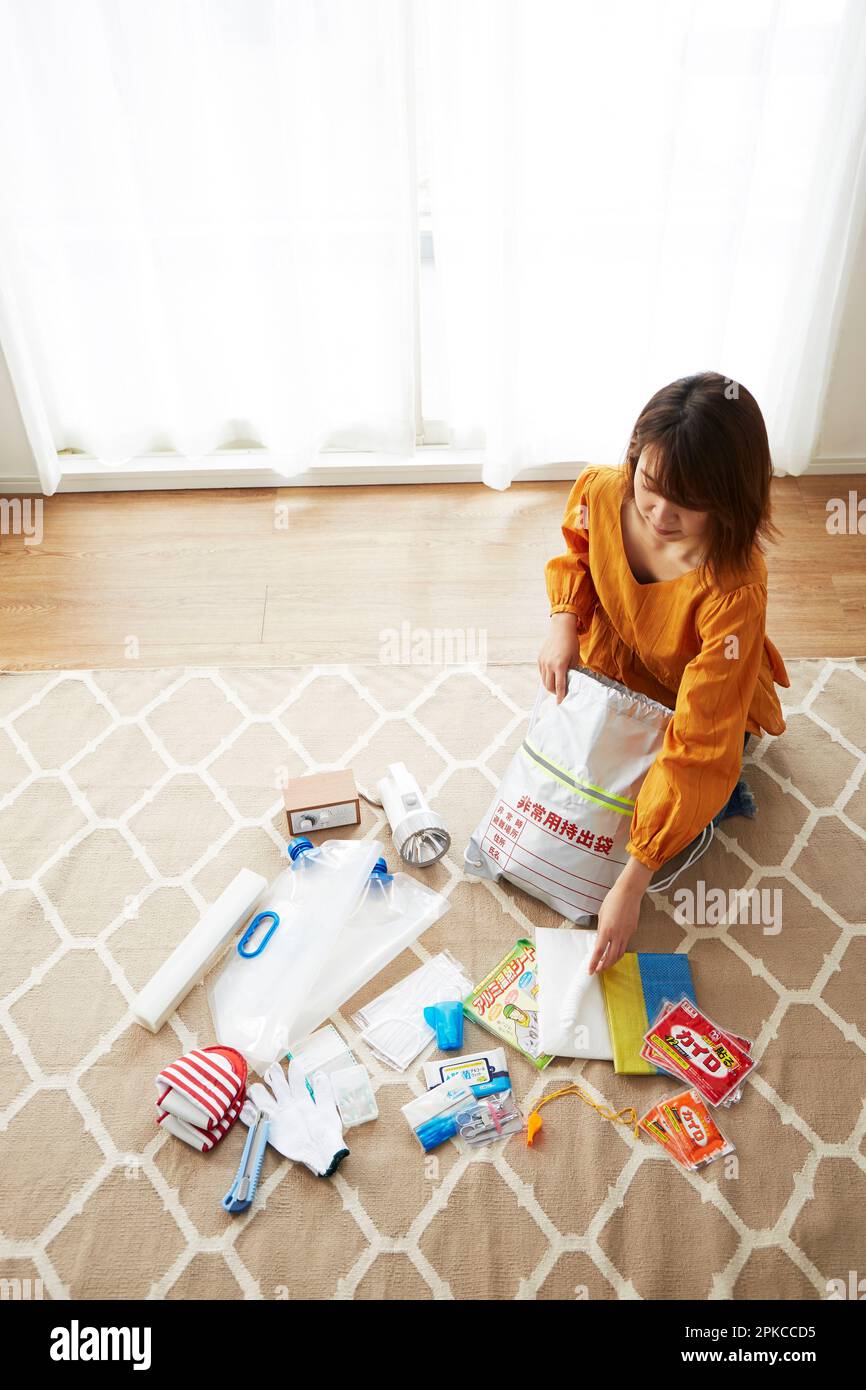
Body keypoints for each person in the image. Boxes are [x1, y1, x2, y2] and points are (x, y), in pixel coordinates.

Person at [537, 373, 789, 973]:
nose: (661, 515)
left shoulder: (734, 591)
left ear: (731, 500)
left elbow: (702, 740)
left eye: (689, 502)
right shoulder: (603, 490)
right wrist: (564, 618)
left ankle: (719, 795)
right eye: (650, 487)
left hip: (696, 698)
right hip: (618, 660)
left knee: (693, 782)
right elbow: (578, 547)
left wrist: (635, 876)